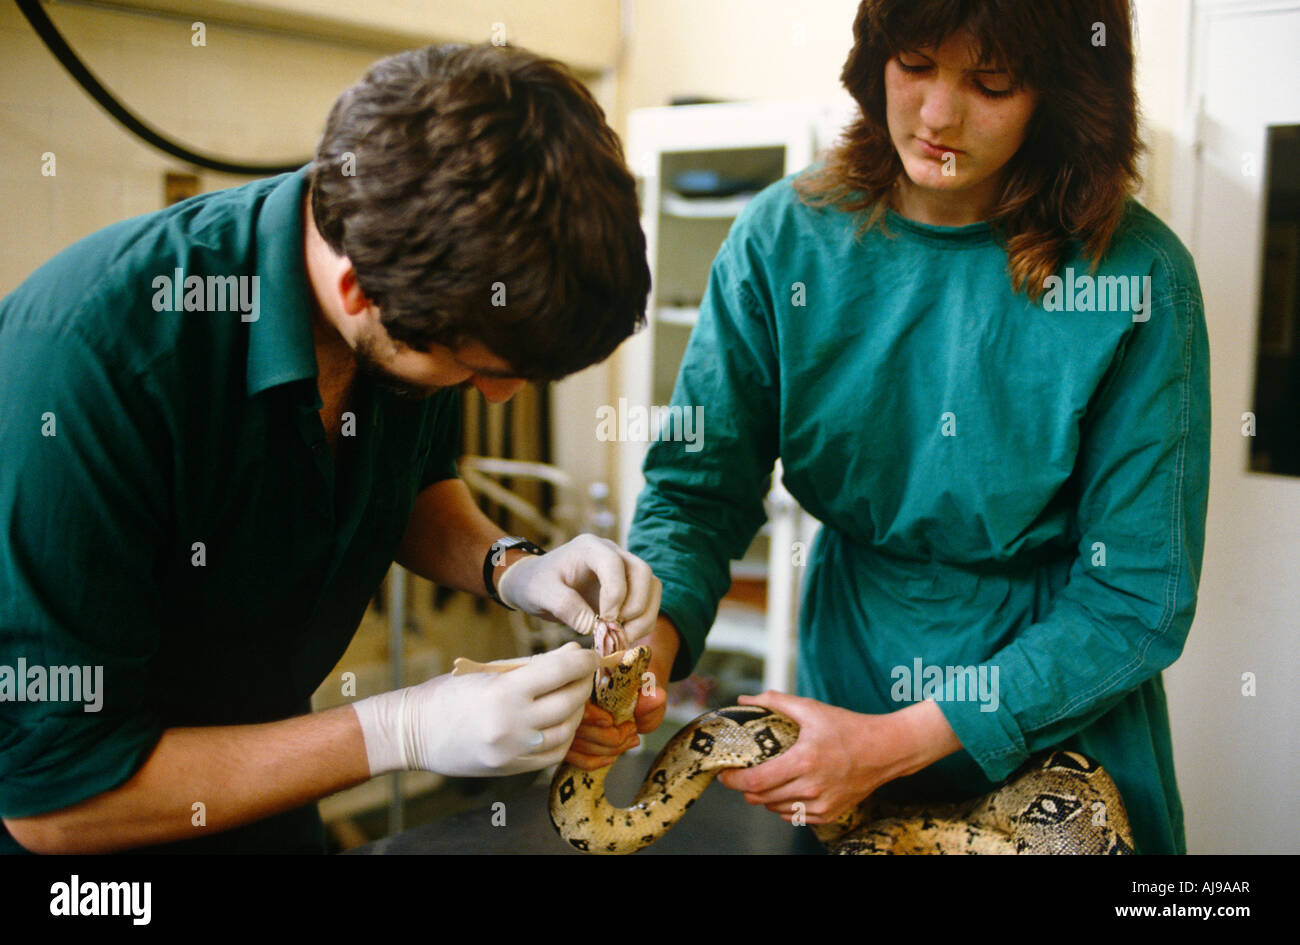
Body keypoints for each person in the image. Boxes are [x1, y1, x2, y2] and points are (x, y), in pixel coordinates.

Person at [570, 0, 1210, 856]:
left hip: (1061, 725)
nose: (939, 114)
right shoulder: (782, 240)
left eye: (991, 83)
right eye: (913, 64)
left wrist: (891, 746)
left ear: (1062, 93)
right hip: (848, 688)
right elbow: (695, 492)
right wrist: (649, 646)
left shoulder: (1138, 278)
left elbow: (1135, 599)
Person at [0, 43, 660, 854]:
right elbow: (55, 803)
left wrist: (515, 567)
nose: (496, 396)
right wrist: (398, 732)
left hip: (265, 807)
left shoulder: (406, 291)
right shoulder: (88, 363)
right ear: (358, 291)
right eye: (481, 369)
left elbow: (411, 482)